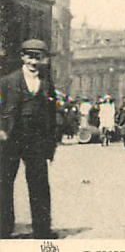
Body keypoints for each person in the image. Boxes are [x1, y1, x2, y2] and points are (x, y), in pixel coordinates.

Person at [0, 39, 59, 239]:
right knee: (4, 183)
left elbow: (52, 113)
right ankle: (3, 229)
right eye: (30, 56)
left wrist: (51, 141)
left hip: (37, 140)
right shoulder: (7, 81)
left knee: (40, 184)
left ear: (43, 59)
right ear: (22, 57)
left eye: (38, 57)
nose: (34, 61)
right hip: (11, 138)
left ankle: (42, 230)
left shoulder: (47, 82)